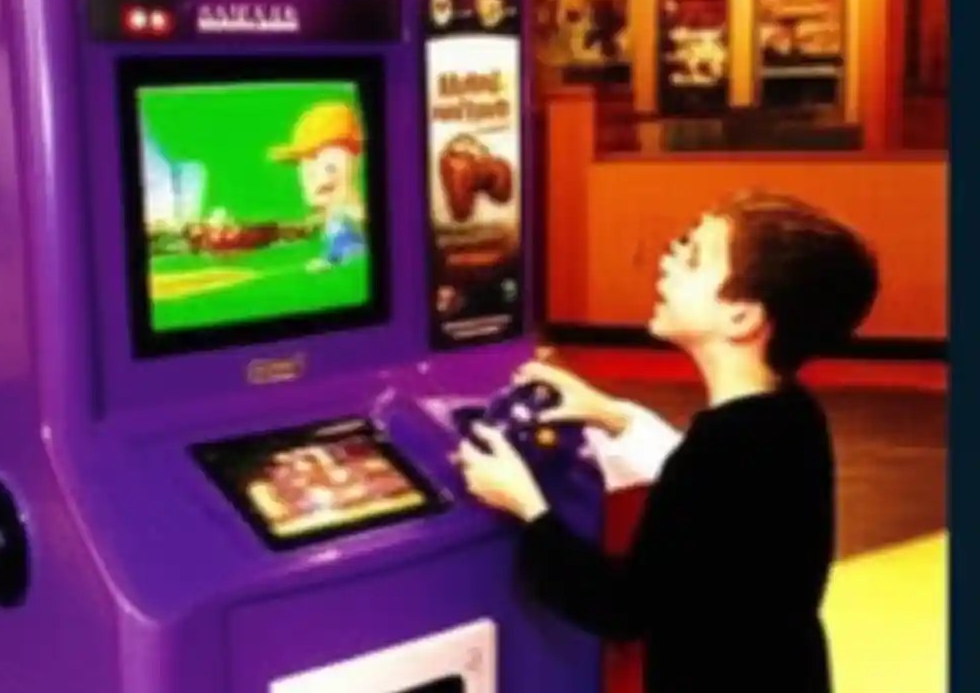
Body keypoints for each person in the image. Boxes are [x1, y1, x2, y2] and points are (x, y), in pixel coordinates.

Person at [457, 191, 879, 692]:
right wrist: (611, 415)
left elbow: (624, 606)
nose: (667, 262)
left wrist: (527, 507)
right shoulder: (790, 417)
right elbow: (715, 524)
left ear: (742, 318)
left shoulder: (721, 447)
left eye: (693, 258)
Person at [269, 101, 368, 271]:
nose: (307, 174)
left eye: (320, 160)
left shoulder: (349, 223)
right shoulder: (330, 220)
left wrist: (328, 264)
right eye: (302, 163)